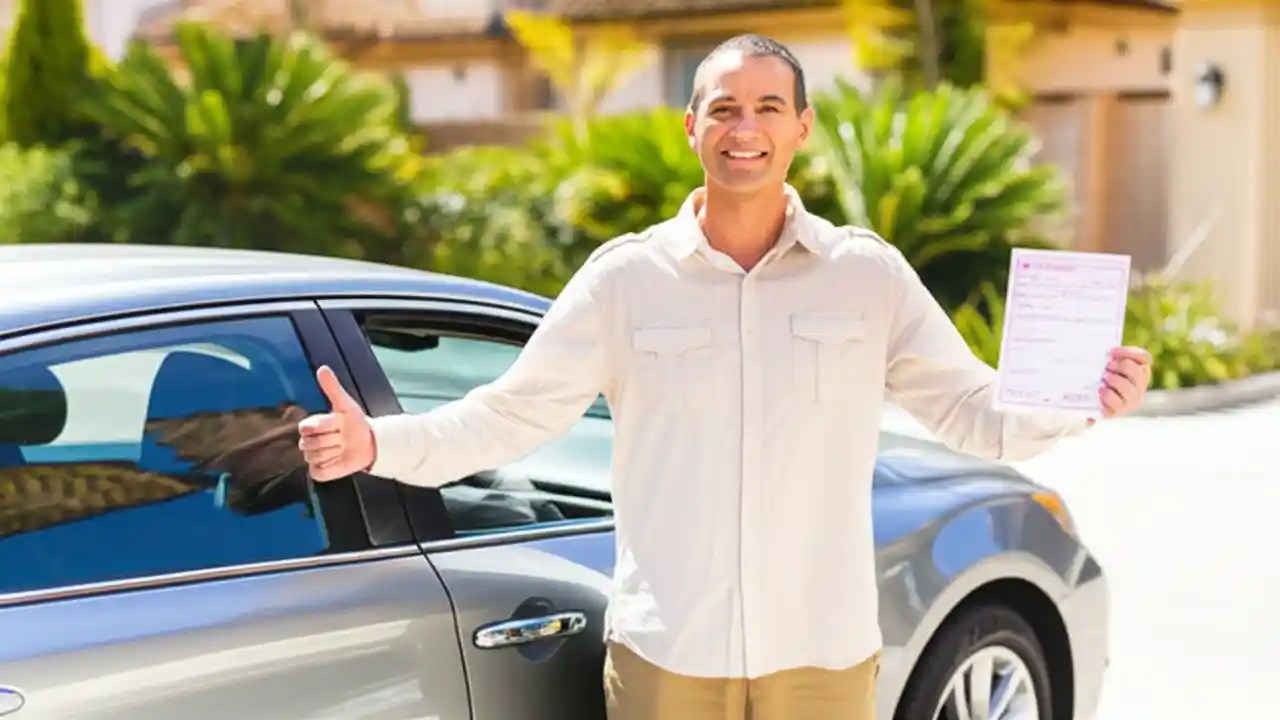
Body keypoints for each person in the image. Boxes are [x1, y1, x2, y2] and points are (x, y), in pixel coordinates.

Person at [298, 34, 1153, 720]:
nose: (746, 128)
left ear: (802, 127)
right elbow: (509, 416)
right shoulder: (623, 280)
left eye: (768, 108)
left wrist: (1078, 397)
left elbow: (975, 416)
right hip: (671, 657)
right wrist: (379, 442)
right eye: (726, 108)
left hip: (822, 657)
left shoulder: (868, 276)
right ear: (692, 125)